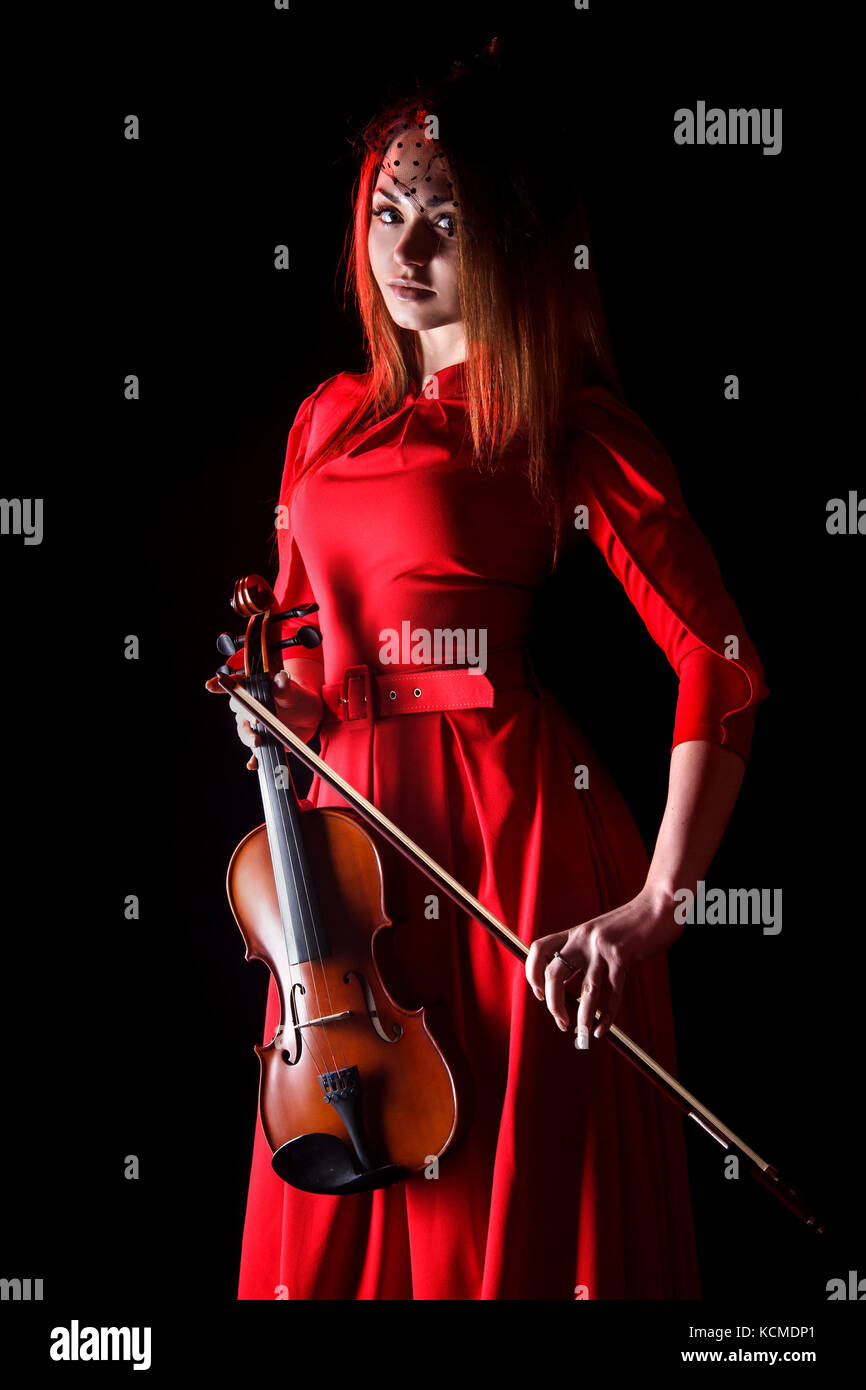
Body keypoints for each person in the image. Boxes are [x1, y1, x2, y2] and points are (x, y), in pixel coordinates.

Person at [207, 45, 768, 1300]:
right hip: (340, 869)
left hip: (502, 838)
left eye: (444, 223)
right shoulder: (322, 417)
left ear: (507, 240)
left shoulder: (556, 417)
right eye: (388, 214)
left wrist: (654, 903)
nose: (404, 251)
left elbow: (715, 657)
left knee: (498, 1226)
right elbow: (304, 646)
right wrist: (278, 705)